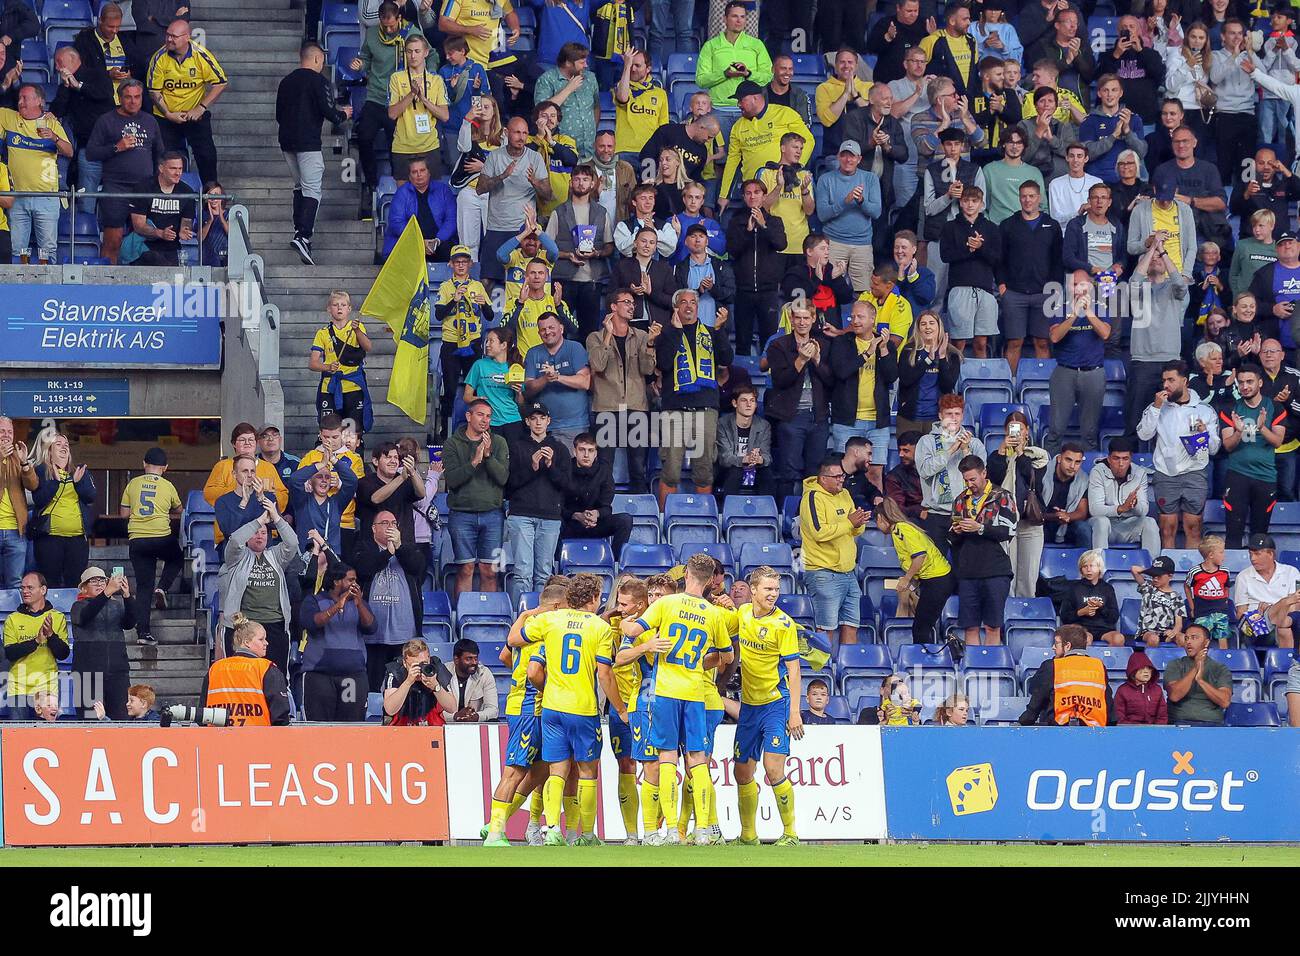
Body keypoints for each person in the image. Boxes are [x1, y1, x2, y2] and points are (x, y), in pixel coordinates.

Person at [620, 555, 735, 846]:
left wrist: (625, 625)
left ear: (685, 574)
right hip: (696, 693)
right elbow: (728, 657)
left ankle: (671, 829)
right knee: (698, 760)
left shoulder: (665, 604)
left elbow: (634, 631)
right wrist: (701, 662)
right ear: (710, 580)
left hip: (665, 691)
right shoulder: (713, 614)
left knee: (666, 757)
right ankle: (703, 831)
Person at [526, 574, 623, 846]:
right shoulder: (599, 627)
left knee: (557, 770)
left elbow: (518, 637)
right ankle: (587, 834)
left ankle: (553, 829)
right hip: (582, 708)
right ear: (594, 599)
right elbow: (604, 674)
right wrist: (620, 709)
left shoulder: (549, 621)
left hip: (552, 706)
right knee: (587, 772)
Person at [730, 565, 803, 844]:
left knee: (773, 770)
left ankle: (791, 833)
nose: (773, 594)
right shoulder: (743, 613)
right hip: (749, 704)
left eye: (776, 589)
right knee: (742, 771)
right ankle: (748, 835)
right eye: (768, 589)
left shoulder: (784, 624)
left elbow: (794, 670)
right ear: (753, 591)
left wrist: (794, 712)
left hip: (776, 703)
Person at [655, 290, 735, 507]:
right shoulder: (666, 334)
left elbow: (727, 358)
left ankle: (705, 519)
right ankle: (663, 520)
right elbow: (662, 364)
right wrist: (674, 332)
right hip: (675, 408)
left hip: (706, 408)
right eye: (683, 303)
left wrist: (719, 330)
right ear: (676, 308)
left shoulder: (711, 332)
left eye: (693, 302)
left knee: (704, 469)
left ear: (698, 308)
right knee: (671, 469)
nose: (689, 306)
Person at [276, 41, 351, 265]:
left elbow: (278, 115)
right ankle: (303, 235)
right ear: (317, 59)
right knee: (312, 190)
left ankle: (299, 232)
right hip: (308, 142)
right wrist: (344, 114)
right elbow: (329, 111)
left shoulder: (286, 81)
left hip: (286, 141)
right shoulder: (319, 80)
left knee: (299, 187)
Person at [1138, 360, 1219, 549]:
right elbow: (1143, 435)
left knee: (1193, 528)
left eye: (1171, 380)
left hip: (1195, 473)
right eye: (1164, 380)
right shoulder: (1156, 407)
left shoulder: (1204, 410)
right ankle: (1166, 574)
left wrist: (1204, 434)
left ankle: (1191, 576)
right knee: (1167, 529)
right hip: (1166, 473)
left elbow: (1214, 448)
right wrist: (1156, 408)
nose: (1166, 385)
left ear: (1185, 381)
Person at [217, 498, 301, 672]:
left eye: (263, 532)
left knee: (276, 676)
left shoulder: (275, 556)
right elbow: (234, 541)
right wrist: (259, 521)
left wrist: (277, 518)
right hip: (243, 626)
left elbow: (292, 543)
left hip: (275, 626)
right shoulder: (236, 558)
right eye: (256, 532)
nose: (260, 535)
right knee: (240, 676)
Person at [84, 78, 163, 263]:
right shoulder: (106, 120)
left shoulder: (150, 121)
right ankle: (105, 282)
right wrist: (117, 147)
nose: (133, 101)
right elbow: (91, 153)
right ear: (119, 98)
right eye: (128, 97)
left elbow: (160, 154)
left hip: (145, 188)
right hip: (115, 188)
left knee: (150, 240)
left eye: (137, 97)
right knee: (113, 240)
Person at [504, 401, 571, 605]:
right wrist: (532, 466)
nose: (538, 422)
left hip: (550, 516)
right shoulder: (516, 447)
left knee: (543, 573)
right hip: (521, 514)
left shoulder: (560, 449)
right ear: (527, 421)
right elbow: (508, 486)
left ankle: (542, 619)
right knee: (522, 572)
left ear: (548, 420)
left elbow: (567, 485)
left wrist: (550, 466)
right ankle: (520, 618)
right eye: (534, 418)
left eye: (542, 418)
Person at [352, 506, 426, 689]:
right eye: (384, 523)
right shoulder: (363, 547)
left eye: (393, 523)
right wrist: (387, 553)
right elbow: (363, 568)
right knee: (374, 688)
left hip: (404, 637)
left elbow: (418, 568)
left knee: (403, 688)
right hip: (373, 636)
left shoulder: (408, 549)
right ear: (373, 528)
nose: (390, 527)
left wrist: (399, 548)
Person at [800, 456, 870, 646]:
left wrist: (858, 522)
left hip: (848, 572)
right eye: (837, 476)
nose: (841, 479)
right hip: (823, 573)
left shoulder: (845, 494)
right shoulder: (812, 498)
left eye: (842, 476)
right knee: (826, 628)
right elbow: (819, 533)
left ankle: (849, 668)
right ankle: (823, 673)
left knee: (851, 624)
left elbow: (854, 529)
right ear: (823, 478)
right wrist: (849, 523)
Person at [477, 116, 553, 289]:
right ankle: (482, 316)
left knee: (523, 280)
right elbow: (480, 189)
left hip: (523, 229)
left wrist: (535, 182)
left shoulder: (535, 158)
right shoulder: (495, 157)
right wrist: (502, 176)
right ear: (506, 133)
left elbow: (548, 195)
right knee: (487, 280)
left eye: (525, 133)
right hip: (496, 227)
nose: (521, 137)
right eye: (517, 132)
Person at [145, 19, 225, 184]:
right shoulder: (159, 58)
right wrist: (168, 114)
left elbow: (221, 82)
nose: (169, 39)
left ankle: (211, 194)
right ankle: (166, 195)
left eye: (174, 36)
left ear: (187, 37)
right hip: (166, 116)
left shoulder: (201, 56)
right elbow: (154, 91)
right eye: (167, 35)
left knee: (207, 155)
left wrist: (201, 108)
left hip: (194, 115)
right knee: (165, 159)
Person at [0, 85, 73, 263]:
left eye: (25, 98)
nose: (20, 102)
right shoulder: (7, 117)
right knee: (17, 251)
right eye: (19, 98)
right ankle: (19, 290)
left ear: (39, 101)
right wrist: (7, 81)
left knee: (47, 251)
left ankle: (47, 291)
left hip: (46, 196)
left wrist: (54, 138)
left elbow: (69, 151)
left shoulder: (51, 123)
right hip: (16, 196)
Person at [949, 455, 1017, 646]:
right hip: (968, 571)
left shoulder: (1002, 496)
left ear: (984, 473)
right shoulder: (960, 500)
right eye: (966, 480)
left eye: (973, 479)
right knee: (970, 626)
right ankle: (974, 666)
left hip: (995, 570)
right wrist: (956, 531)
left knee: (992, 626)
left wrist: (979, 528)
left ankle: (991, 669)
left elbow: (1009, 531)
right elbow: (952, 538)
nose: (970, 484)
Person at [445, 399, 509, 598]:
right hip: (462, 515)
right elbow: (453, 480)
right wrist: (474, 461)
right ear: (468, 416)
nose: (485, 420)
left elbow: (503, 478)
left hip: (492, 515)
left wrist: (488, 456)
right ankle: (464, 618)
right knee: (465, 569)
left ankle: (486, 618)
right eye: (480, 415)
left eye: (488, 416)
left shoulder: (498, 443)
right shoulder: (452, 444)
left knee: (490, 572)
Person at [119, 447, 182, 646]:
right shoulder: (168, 485)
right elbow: (180, 510)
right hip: (162, 537)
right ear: (165, 468)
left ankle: (143, 634)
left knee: (144, 587)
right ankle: (162, 588)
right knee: (177, 558)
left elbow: (123, 514)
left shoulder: (132, 483)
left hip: (138, 540)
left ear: (144, 464)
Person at [718, 80, 812, 212]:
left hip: (782, 185)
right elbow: (732, 161)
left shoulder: (784, 113)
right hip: (753, 193)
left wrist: (795, 168)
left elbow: (808, 140)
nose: (738, 104)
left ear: (755, 98)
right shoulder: (737, 127)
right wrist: (724, 195)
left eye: (741, 100)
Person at [1220, 363, 1287, 548]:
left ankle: (1257, 575)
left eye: (1249, 382)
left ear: (1260, 382)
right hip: (1237, 475)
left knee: (1260, 535)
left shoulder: (1275, 407)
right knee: (1233, 532)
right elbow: (1228, 445)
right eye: (1241, 383)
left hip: (1265, 477)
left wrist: (1261, 428)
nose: (1245, 386)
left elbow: (1277, 441)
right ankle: (1233, 575)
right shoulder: (1230, 409)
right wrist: (1238, 432)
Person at [547, 163, 615, 341]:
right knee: (559, 330)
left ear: (593, 183)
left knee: (589, 332)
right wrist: (568, 255)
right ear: (570, 183)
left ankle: (587, 369)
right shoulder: (559, 212)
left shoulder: (601, 213)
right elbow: (547, 246)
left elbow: (609, 246)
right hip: (563, 280)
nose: (580, 183)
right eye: (576, 179)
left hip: (591, 281)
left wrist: (597, 254)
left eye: (585, 179)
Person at [297, 563, 372, 722]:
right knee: (319, 726)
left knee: (351, 726)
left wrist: (359, 604)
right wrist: (338, 606)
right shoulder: (314, 600)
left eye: (355, 580)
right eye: (350, 580)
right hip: (319, 675)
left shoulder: (358, 603)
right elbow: (311, 622)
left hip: (352, 676)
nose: (355, 584)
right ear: (337, 581)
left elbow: (371, 627)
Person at [1045, 272, 1110, 454]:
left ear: (1090, 286)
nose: (1078, 288)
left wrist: (1088, 312)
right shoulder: (1059, 306)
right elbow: (1055, 337)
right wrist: (1074, 314)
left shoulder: (1101, 306)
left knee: (1089, 432)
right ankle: (1047, 471)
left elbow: (1105, 333)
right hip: (1065, 371)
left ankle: (1090, 473)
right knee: (1056, 429)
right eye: (1074, 284)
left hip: (1093, 373)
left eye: (1082, 284)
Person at [876, 497, 955, 645]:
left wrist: (907, 578)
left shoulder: (900, 529)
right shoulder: (902, 528)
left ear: (880, 518)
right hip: (934, 580)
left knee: (921, 628)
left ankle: (925, 663)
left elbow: (920, 556)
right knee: (923, 626)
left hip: (938, 579)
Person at [830, 300, 898, 464]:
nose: (855, 321)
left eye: (860, 317)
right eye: (852, 317)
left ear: (872, 319)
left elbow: (891, 377)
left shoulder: (886, 345)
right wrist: (867, 353)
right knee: (844, 471)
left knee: (875, 472)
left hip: (878, 422)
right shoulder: (841, 342)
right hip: (847, 421)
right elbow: (841, 372)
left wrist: (882, 350)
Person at [917, 393, 987, 553]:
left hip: (966, 513)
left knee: (965, 566)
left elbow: (979, 477)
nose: (953, 418)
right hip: (936, 514)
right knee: (936, 566)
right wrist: (951, 449)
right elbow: (925, 470)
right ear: (940, 415)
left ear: (963, 416)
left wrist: (965, 451)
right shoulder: (926, 441)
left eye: (957, 414)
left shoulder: (975, 443)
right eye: (949, 414)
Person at [202, 422, 290, 546]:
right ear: (234, 444)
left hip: (264, 534)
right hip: (233, 534)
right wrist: (239, 491)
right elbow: (209, 493)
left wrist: (268, 495)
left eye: (251, 439)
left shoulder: (268, 467)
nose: (247, 443)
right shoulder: (223, 466)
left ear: (256, 443)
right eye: (242, 440)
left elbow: (283, 494)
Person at [726, 179, 787, 355]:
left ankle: (769, 379)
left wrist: (763, 226)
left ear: (764, 196)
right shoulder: (735, 221)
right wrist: (747, 231)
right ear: (744, 196)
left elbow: (780, 244)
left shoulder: (775, 221)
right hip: (743, 290)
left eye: (757, 192)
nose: (753, 196)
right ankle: (742, 380)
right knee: (742, 340)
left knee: (769, 339)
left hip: (768, 291)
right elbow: (732, 250)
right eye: (748, 193)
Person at [815, 140, 883, 293]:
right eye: (844, 155)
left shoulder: (870, 179)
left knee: (864, 293)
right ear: (838, 157)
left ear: (859, 159)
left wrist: (861, 201)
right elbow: (822, 215)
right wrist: (845, 202)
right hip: (834, 243)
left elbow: (876, 212)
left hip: (862, 244)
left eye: (852, 156)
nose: (848, 160)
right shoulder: (826, 179)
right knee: (830, 290)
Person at [201, 614, 292, 726]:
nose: (266, 643)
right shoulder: (266, 668)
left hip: (217, 739)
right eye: (261, 639)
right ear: (246, 642)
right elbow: (280, 712)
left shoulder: (215, 669)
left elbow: (202, 713)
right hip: (257, 739)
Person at [30, 433, 96, 589]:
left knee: (75, 583)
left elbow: (90, 497)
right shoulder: (41, 470)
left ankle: (73, 613)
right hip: (49, 539)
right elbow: (39, 500)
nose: (64, 446)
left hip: (77, 540)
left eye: (66, 444)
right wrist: (55, 482)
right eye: (58, 444)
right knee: (50, 583)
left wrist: (79, 483)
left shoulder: (79, 471)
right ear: (49, 451)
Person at [69, 568, 135, 720]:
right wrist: (107, 593)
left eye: (102, 580)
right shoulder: (77, 606)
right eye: (93, 581)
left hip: (117, 671)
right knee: (89, 719)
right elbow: (85, 616)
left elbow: (130, 623)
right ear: (84, 588)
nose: (99, 584)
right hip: (87, 674)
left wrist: (127, 596)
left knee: (121, 720)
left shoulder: (116, 605)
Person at [522, 313, 592, 452]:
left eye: (551, 327)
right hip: (542, 428)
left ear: (561, 328)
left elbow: (585, 382)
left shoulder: (575, 348)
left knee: (573, 470)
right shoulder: (533, 353)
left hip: (574, 425)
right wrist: (545, 379)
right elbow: (527, 390)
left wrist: (557, 377)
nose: (547, 332)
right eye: (543, 329)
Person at [1018, 623, 1112, 725]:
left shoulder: (1053, 666)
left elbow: (1035, 698)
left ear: (1067, 646)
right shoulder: (1099, 666)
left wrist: (1024, 721)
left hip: (1060, 732)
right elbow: (1109, 707)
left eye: (1057, 643)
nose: (1053, 647)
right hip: (1095, 733)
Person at [3, 572, 70, 712]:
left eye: (30, 588)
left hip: (47, 688)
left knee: (47, 735)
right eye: (22, 588)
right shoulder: (13, 619)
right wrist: (36, 641)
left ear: (43, 590)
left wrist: (51, 635)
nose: (25, 591)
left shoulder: (57, 617)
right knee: (18, 734)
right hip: (18, 688)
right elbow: (10, 653)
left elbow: (63, 654)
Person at [1086, 436, 1161, 555]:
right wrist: (1120, 508)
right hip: (1107, 526)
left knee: (1150, 522)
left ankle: (1151, 568)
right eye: (1116, 458)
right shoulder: (1098, 472)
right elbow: (1095, 509)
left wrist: (1134, 505)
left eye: (1125, 459)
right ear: (1109, 458)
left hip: (1129, 526)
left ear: (1130, 458)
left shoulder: (1139, 473)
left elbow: (1143, 510)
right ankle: (1098, 568)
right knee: (1101, 522)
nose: (1121, 464)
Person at [127, 151, 197, 267]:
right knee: (154, 259)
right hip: (144, 247)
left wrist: (185, 231)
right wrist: (160, 233)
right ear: (161, 168)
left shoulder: (186, 192)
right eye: (173, 168)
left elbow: (186, 222)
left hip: (172, 249)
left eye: (180, 169)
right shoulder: (144, 188)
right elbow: (138, 226)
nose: (178, 173)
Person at [896, 311, 960, 437]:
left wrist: (941, 358)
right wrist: (928, 360)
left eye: (932, 323)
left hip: (938, 420)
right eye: (923, 324)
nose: (928, 327)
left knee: (939, 456)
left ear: (939, 327)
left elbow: (947, 386)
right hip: (910, 419)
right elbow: (906, 380)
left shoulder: (951, 354)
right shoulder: (909, 351)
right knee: (909, 456)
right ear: (918, 328)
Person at [696, 0, 773, 103]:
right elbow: (701, 80)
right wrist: (725, 74)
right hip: (718, 108)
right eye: (734, 16)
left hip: (750, 109)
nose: (739, 20)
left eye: (742, 17)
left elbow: (768, 76)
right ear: (725, 19)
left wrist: (748, 74)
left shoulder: (757, 45)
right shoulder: (710, 45)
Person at [534, 42, 600, 162]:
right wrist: (569, 88)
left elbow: (595, 106)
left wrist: (592, 130)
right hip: (560, 151)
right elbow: (541, 110)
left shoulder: (590, 78)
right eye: (581, 62)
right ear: (568, 62)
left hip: (589, 151)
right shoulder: (547, 80)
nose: (586, 65)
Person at [1233, 533, 1300, 649]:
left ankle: (1275, 610)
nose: (1252, 558)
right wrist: (1259, 615)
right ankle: (1278, 606)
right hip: (1255, 625)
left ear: (1270, 554)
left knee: (1284, 627)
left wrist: (1275, 610)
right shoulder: (1243, 576)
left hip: (1285, 620)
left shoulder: (1291, 572)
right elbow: (1241, 614)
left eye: (1257, 554)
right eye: (1251, 554)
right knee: (1282, 626)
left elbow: (1295, 607)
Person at [381, 156, 456, 260]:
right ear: (409, 176)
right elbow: (396, 223)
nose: (419, 175)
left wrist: (437, 240)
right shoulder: (402, 193)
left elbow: (451, 220)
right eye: (414, 172)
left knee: (455, 254)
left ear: (429, 172)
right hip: (410, 243)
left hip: (439, 243)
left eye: (422, 170)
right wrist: (420, 242)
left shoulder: (443, 191)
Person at [355, 441, 425, 547]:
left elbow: (421, 493)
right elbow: (375, 498)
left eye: (396, 458)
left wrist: (412, 471)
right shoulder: (365, 482)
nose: (393, 461)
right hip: (373, 548)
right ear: (375, 461)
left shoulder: (405, 480)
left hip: (403, 544)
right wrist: (401, 478)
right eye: (388, 457)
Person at [504, 257, 577, 357]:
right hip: (525, 362)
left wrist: (559, 306)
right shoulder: (515, 302)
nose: (537, 276)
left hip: (553, 363)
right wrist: (520, 303)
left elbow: (573, 329)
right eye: (533, 273)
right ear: (526, 276)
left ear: (546, 277)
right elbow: (505, 331)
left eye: (541, 273)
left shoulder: (556, 302)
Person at [1164, 622, 1232, 725]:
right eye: (1186, 638)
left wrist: (1200, 681)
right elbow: (1174, 695)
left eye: (1194, 638)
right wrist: (1195, 668)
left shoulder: (1220, 668)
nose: (1188, 642)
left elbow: (1224, 702)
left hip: (1211, 725)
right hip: (1180, 724)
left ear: (1206, 643)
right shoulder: (1175, 665)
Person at [382, 638, 457, 725]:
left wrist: (435, 686)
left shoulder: (437, 668)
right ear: (405, 663)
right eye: (415, 665)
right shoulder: (395, 671)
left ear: (429, 659)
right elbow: (390, 709)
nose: (420, 669)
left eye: (424, 663)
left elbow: (452, 708)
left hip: (432, 725)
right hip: (400, 726)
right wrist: (408, 682)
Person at [716, 384, 774, 496]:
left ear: (756, 404)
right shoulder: (723, 424)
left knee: (767, 474)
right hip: (729, 469)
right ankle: (729, 510)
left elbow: (767, 456)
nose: (749, 404)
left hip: (755, 468)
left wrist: (759, 459)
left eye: (752, 401)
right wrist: (745, 459)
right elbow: (725, 459)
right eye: (744, 400)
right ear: (735, 403)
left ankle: (766, 511)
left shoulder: (764, 426)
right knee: (735, 471)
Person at [1061, 549, 1124, 646]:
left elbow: (1114, 617)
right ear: (1081, 569)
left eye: (1092, 566)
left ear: (1099, 568)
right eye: (1085, 566)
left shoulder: (1107, 588)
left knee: (1118, 639)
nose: (1088, 569)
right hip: (1082, 627)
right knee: (1084, 639)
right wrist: (1082, 612)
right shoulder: (1073, 588)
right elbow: (1064, 616)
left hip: (1104, 629)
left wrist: (1101, 607)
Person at [0, 416, 35, 588]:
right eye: (2, 431)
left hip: (15, 531)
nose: (6, 435)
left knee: (15, 583)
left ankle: (13, 616)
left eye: (9, 432)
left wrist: (25, 463)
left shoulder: (17, 456)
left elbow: (33, 484)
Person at [613, 48, 667, 159]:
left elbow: (663, 127)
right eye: (631, 65)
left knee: (649, 178)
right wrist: (626, 66)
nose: (633, 69)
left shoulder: (660, 94)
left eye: (637, 65)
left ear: (648, 69)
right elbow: (623, 97)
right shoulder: (621, 86)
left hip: (650, 152)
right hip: (624, 151)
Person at [1247, 231, 1300, 342]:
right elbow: (1249, 303)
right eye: (1282, 244)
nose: (1287, 246)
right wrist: (1272, 309)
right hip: (1276, 344)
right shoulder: (1265, 273)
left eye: (1291, 242)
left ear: (1298, 245)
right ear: (1276, 250)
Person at [919, 2, 980, 99]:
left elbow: (974, 70)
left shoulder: (972, 40)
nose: (969, 22)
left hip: (968, 99)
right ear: (952, 21)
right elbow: (916, 69)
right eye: (965, 19)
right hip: (942, 101)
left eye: (969, 18)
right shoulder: (931, 40)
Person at [1129, 555, 1188, 647]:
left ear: (1170, 576)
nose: (1155, 578)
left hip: (1167, 632)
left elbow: (1179, 623)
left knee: (1183, 638)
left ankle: (1181, 660)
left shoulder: (1176, 597)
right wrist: (1150, 570)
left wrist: (1174, 632)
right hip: (1147, 632)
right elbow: (1134, 569)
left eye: (1159, 575)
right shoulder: (1148, 588)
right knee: (1154, 639)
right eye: (1153, 575)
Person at [439, 638, 499, 722]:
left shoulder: (484, 673)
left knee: (494, 721)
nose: (474, 662)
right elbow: (435, 713)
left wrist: (477, 716)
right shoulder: (443, 672)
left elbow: (493, 710)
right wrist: (455, 716)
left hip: (475, 726)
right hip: (447, 725)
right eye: (469, 659)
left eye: (475, 658)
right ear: (456, 660)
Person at [1230, 209, 1278, 299]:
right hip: (1244, 299)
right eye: (1254, 226)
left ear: (1272, 226)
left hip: (1268, 301)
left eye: (1261, 226)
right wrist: (1237, 294)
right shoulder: (1242, 245)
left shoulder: (1279, 249)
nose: (1257, 230)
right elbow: (1233, 274)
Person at [1112, 650, 1169, 725]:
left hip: (1154, 731)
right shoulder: (1123, 690)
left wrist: (1156, 730)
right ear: (1133, 671)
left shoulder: (1157, 689)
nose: (1146, 671)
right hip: (1129, 731)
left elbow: (1162, 715)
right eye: (1142, 668)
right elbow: (1119, 716)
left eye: (1149, 668)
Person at [884, 431, 925, 520]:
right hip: (912, 519)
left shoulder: (936, 470)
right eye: (900, 450)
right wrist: (918, 512)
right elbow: (896, 508)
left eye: (906, 451)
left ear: (920, 450)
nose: (900, 454)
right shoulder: (894, 476)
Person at [767, 53, 814, 129]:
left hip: (792, 139)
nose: (788, 73)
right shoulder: (761, 94)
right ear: (773, 70)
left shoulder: (800, 95)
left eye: (790, 69)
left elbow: (805, 125)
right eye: (783, 68)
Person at [93, 683, 159, 722]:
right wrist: (103, 718)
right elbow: (119, 734)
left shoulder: (155, 721)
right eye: (128, 701)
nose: (127, 704)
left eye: (131, 701)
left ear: (143, 704)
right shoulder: (131, 720)